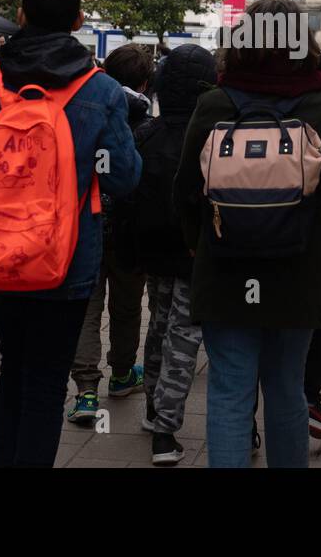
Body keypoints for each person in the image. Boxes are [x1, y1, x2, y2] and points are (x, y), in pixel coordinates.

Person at [174, 0, 321, 468]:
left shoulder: (215, 104)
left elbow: (185, 190)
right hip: (299, 268)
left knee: (230, 390)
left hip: (226, 267)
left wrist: (197, 244)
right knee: (286, 387)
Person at [0, 0, 140, 467]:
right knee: (48, 380)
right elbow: (123, 179)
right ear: (77, 20)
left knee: (13, 366)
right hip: (69, 261)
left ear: (21, 15)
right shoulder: (101, 91)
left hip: (3, 258)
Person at [124, 44, 217, 465]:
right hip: (191, 252)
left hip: (151, 249)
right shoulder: (210, 141)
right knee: (184, 334)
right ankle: (165, 430)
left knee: (159, 326)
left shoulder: (145, 134)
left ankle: (150, 408)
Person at [67, 42, 153, 424]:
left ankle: (86, 391)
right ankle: (121, 374)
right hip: (130, 229)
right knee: (127, 304)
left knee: (86, 307)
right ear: (146, 82)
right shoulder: (146, 123)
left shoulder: (84, 111)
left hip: (86, 221)